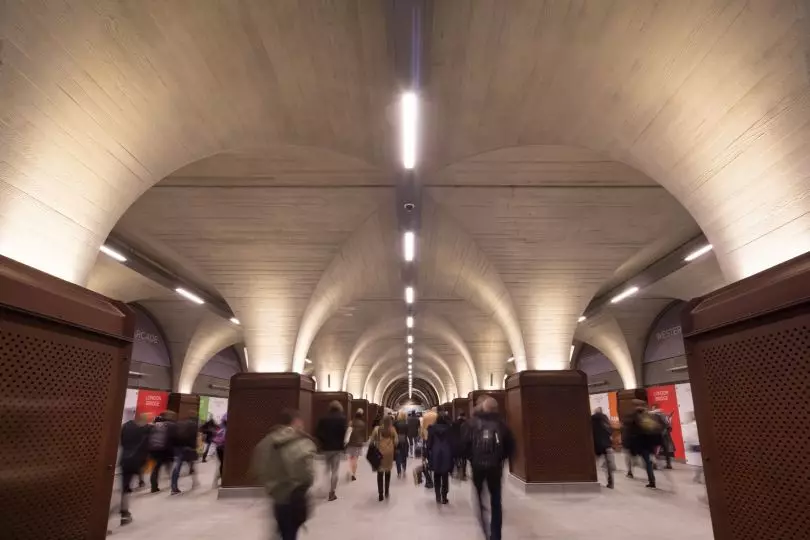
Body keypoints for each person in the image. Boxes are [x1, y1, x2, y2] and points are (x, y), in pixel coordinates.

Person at [253, 409, 316, 540]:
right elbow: (307, 474)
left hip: (276, 496)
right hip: (294, 497)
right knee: (290, 533)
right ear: (296, 422)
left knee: (282, 528)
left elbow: (258, 468)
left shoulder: (266, 442)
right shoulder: (300, 442)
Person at [466, 396, 515, 540]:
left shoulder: (472, 424)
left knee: (479, 498)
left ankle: (485, 529)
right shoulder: (502, 425)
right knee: (495, 501)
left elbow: (465, 445)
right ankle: (496, 535)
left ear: (483, 408)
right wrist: (500, 460)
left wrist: (472, 459)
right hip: (495, 467)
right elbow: (510, 447)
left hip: (478, 467)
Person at [119, 414, 150, 525]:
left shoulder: (126, 426)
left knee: (125, 486)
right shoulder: (146, 430)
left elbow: (121, 442)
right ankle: (125, 513)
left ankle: (124, 512)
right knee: (128, 487)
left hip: (125, 459)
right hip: (136, 460)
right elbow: (147, 447)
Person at [315, 400, 347, 502]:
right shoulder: (342, 419)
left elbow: (318, 432)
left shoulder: (323, 419)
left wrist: (322, 442)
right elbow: (343, 434)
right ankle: (332, 492)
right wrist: (343, 446)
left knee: (326, 469)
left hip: (326, 448)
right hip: (337, 448)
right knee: (335, 470)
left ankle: (324, 487)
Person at [426, 408, 454, 504]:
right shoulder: (449, 429)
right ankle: (444, 496)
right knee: (445, 475)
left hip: (435, 452)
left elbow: (429, 443)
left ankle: (437, 495)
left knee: (436, 475)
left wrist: (426, 453)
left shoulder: (432, 429)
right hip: (447, 452)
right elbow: (452, 442)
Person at [369, 415, 397, 501]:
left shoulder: (377, 429)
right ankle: (387, 492)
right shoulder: (392, 429)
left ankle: (380, 494)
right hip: (389, 453)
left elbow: (371, 441)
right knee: (387, 472)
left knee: (380, 473)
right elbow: (396, 442)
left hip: (379, 453)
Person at [170, 412, 199, 494]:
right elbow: (194, 438)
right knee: (192, 466)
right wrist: (194, 448)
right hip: (188, 448)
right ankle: (195, 482)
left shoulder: (179, 423)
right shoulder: (193, 425)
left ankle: (174, 487)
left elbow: (173, 436)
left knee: (176, 467)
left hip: (178, 447)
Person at [148, 411, 176, 493]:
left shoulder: (153, 425)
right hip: (163, 450)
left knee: (155, 468)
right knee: (163, 467)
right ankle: (169, 482)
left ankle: (154, 486)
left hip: (153, 449)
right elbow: (171, 439)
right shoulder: (169, 425)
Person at [591, 407, 615, 489]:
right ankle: (610, 482)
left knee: (594, 464)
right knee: (608, 466)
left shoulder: (591, 419)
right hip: (607, 444)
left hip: (596, 444)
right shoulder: (605, 419)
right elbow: (610, 431)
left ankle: (592, 479)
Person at [650, 403, 674, 469]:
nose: (653, 409)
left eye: (654, 408)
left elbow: (667, 424)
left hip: (661, 434)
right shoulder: (656, 415)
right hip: (659, 434)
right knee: (661, 449)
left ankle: (658, 464)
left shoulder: (659, 415)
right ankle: (667, 464)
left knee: (658, 449)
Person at [419, 408, 438, 489]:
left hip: (426, 439)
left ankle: (428, 480)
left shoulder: (425, 416)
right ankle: (435, 477)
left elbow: (422, 427)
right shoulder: (436, 415)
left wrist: (422, 436)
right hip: (435, 439)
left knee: (425, 460)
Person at [346, 408, 366, 481]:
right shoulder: (363, 424)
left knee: (351, 458)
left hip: (351, 443)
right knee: (355, 459)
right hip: (358, 444)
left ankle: (351, 470)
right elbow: (363, 435)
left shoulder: (351, 422)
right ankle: (353, 474)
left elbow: (348, 432)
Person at [451, 411, 468, 480]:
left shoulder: (454, 423)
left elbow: (451, 433)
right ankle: (463, 473)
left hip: (455, 443)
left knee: (456, 457)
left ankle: (458, 468)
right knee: (464, 459)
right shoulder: (466, 424)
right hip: (464, 443)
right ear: (464, 416)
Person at [212, 415, 227, 487]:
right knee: (223, 465)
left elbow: (215, 439)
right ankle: (221, 480)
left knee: (221, 464)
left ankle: (216, 482)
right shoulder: (224, 430)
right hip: (222, 448)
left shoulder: (221, 428)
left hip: (219, 448)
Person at [394, 411, 409, 478]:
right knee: (404, 456)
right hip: (404, 441)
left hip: (397, 441)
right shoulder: (406, 424)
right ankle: (404, 469)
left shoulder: (396, 423)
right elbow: (408, 433)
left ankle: (399, 472)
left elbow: (394, 433)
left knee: (398, 456)